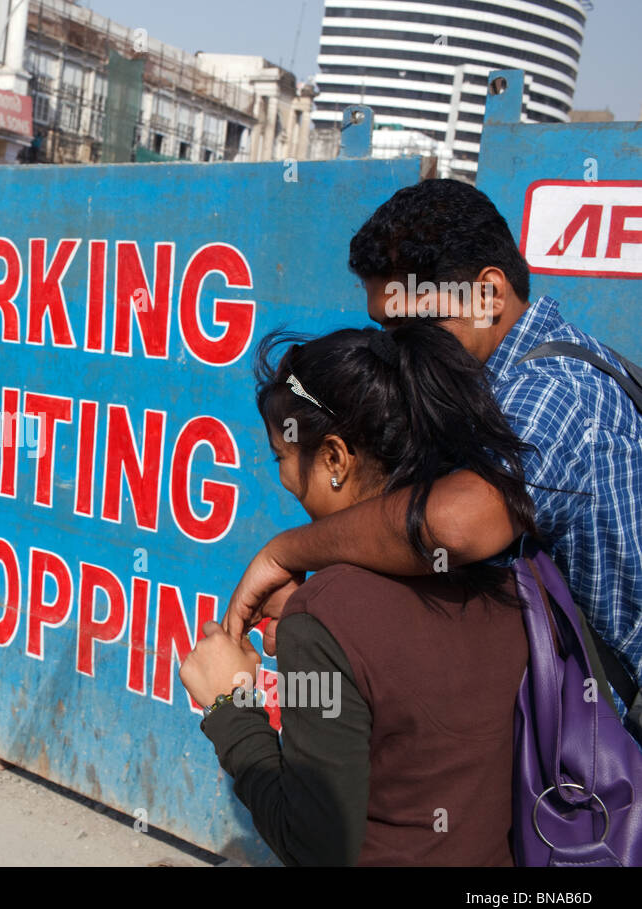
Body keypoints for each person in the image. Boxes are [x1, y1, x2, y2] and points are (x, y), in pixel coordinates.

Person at [220, 179, 642, 732]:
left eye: (410, 327)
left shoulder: (553, 392)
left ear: (488, 296)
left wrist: (287, 552)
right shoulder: (494, 380)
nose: (394, 352)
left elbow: (454, 527)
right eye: (386, 330)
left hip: (596, 768)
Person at [180, 322, 537, 866]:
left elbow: (317, 849)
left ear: (335, 460)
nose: (282, 480)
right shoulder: (505, 574)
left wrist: (229, 706)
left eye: (282, 457)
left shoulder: (324, 618)